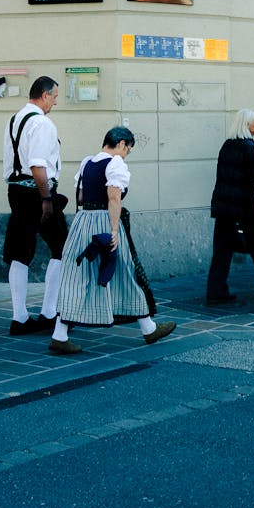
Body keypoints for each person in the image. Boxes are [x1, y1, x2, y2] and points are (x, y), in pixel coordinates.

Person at [46, 127, 177, 354]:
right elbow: (114, 199)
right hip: (104, 223)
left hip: (83, 222)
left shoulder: (88, 162)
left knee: (78, 277)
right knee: (125, 272)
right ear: (122, 143)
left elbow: (80, 196)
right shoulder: (115, 163)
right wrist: (114, 230)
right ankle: (148, 328)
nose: (127, 154)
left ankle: (60, 334)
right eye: (128, 149)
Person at [2, 76, 68, 334]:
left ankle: (19, 317)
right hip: (36, 191)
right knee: (61, 247)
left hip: (16, 190)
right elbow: (37, 165)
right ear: (43, 95)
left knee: (19, 252)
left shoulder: (14, 119)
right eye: (54, 97)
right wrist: (47, 198)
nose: (55, 103)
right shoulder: (42, 123)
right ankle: (49, 312)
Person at [206, 109, 254, 304]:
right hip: (243, 208)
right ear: (248, 125)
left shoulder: (227, 144)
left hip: (223, 206)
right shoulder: (248, 147)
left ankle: (216, 291)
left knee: (222, 250)